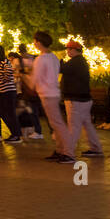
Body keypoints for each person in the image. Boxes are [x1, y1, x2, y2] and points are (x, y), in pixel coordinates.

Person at [32, 32, 72, 163]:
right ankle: (61, 150)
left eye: (35, 41)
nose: (34, 43)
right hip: (54, 92)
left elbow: (35, 80)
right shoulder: (54, 57)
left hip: (47, 94)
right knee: (56, 124)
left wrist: (23, 76)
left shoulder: (41, 59)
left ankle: (68, 153)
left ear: (38, 42)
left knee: (58, 124)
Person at [60, 40, 101, 158]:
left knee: (73, 126)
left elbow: (61, 68)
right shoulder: (81, 61)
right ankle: (96, 148)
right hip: (84, 99)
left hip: (75, 99)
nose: (67, 51)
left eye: (69, 49)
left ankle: (68, 154)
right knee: (87, 125)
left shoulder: (75, 62)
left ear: (74, 50)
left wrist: (60, 62)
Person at [0, 45, 22, 144]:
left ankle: (16, 135)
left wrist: (1, 80)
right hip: (1, 92)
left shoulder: (5, 62)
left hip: (7, 92)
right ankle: (15, 133)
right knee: (4, 113)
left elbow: (9, 75)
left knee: (9, 113)